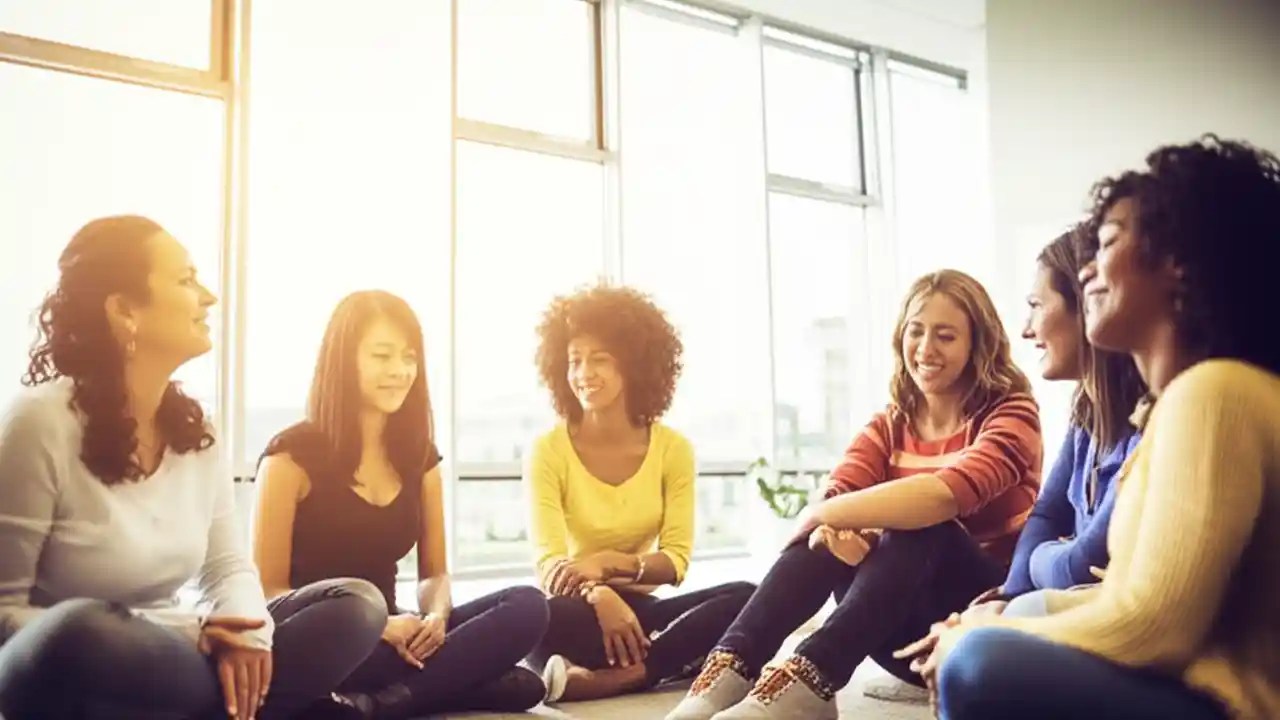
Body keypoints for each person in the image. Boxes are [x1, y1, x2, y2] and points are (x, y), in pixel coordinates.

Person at [913, 136, 1280, 720]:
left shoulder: (1216, 394)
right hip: (1195, 687)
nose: (1088, 267)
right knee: (994, 634)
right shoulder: (1179, 405)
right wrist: (999, 614)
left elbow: (1153, 627)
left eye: (1108, 243)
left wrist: (975, 639)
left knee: (979, 662)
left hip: (1228, 704)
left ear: (1177, 264)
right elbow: (1111, 586)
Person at [0, 216, 385, 720]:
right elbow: (5, 617)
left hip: (181, 659)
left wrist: (244, 631)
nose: (208, 297)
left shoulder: (195, 427)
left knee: (358, 604)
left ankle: (233, 703)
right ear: (123, 310)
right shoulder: (38, 421)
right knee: (83, 630)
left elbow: (227, 566)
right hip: (79, 664)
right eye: (185, 280)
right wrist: (190, 632)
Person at [668, 269, 1042, 720]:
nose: (925, 349)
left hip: (976, 623)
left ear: (976, 345)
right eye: (916, 332)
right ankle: (724, 677)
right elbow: (842, 487)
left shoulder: (1013, 413)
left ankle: (809, 677)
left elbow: (946, 495)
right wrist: (832, 524)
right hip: (897, 631)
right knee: (822, 538)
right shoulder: (889, 423)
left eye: (945, 336)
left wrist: (829, 512)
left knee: (924, 526)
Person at [253, 290, 550, 719]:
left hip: (399, 634)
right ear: (343, 361)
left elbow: (434, 573)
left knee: (526, 605)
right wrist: (378, 627)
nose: (400, 371)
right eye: (382, 355)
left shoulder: (418, 457)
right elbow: (269, 595)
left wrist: (435, 617)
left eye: (409, 357)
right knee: (522, 686)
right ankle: (447, 685)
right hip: (330, 643)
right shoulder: (289, 458)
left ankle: (379, 705)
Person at [524, 283, 756, 703]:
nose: (583, 374)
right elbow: (550, 565)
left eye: (600, 360)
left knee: (748, 597)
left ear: (633, 365)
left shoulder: (673, 449)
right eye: (574, 360)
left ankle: (626, 676)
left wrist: (610, 566)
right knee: (536, 616)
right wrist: (599, 594)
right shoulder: (547, 450)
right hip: (575, 610)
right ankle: (669, 660)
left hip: (650, 614)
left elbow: (676, 561)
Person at [990, 228, 1147, 619]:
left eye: (1036, 305)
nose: (1027, 329)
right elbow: (1046, 514)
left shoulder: (1150, 422)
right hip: (1063, 597)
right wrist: (1005, 599)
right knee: (1000, 614)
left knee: (1007, 624)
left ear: (1086, 306)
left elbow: (1082, 563)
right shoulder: (1086, 413)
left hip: (1113, 615)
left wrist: (1041, 557)